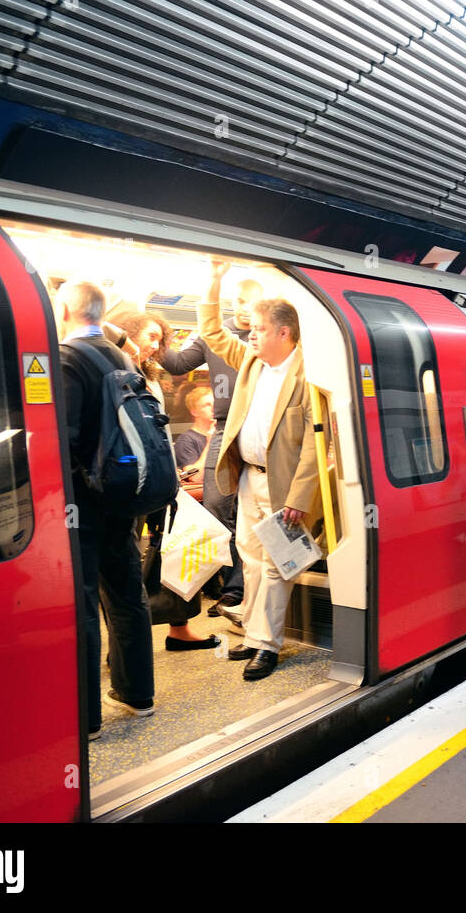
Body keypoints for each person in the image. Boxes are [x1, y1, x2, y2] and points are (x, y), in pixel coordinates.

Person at [199, 261, 322, 680]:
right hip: (249, 477)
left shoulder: (310, 372)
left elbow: (316, 441)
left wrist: (299, 498)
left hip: (284, 486)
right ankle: (254, 636)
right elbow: (213, 333)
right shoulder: (252, 360)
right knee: (250, 557)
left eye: (259, 329)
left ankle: (266, 646)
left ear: (283, 333)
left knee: (276, 563)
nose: (250, 335)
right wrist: (214, 280)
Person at [56, 282, 155, 736]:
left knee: (84, 602)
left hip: (84, 500)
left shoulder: (67, 358)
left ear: (63, 310)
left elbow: (68, 435)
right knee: (126, 592)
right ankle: (138, 695)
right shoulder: (124, 356)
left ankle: (87, 717)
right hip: (124, 493)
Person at [155, 273, 264, 618]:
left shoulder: (267, 336)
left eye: (251, 301)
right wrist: (150, 338)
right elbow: (176, 364)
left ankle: (243, 588)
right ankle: (224, 584)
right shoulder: (215, 336)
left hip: (260, 424)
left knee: (258, 507)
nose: (245, 309)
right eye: (240, 301)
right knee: (217, 505)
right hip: (224, 427)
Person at [116, 312, 220, 652]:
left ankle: (179, 627)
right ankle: (122, 643)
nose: (156, 345)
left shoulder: (151, 374)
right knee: (125, 560)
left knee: (177, 548)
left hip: (159, 477)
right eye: (150, 336)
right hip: (129, 480)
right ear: (128, 334)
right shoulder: (111, 369)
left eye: (161, 339)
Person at [174, 386, 215, 484]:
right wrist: (210, 444)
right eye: (207, 405)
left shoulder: (224, 435)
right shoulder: (186, 440)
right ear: (194, 412)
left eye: (215, 404)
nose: (213, 408)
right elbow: (195, 477)